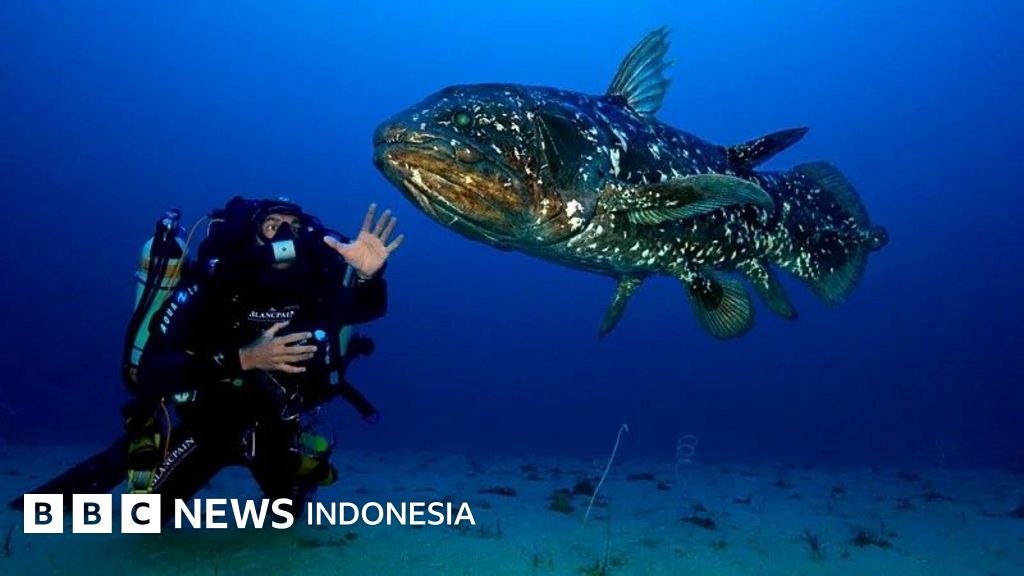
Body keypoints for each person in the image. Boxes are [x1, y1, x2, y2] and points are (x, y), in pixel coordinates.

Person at [124, 197, 403, 523]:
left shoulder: (312, 282)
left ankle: (296, 472)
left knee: (287, 514)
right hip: (210, 424)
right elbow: (154, 373)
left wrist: (369, 277)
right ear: (251, 235)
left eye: (294, 228)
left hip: (274, 426)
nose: (285, 235)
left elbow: (361, 310)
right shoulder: (215, 282)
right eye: (272, 226)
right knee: (144, 518)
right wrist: (243, 358)